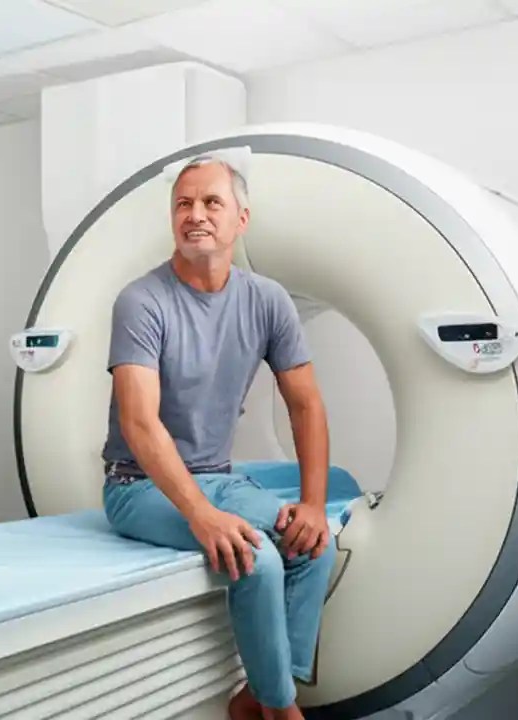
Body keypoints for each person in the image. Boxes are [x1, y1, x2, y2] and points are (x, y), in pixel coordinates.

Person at [100, 152, 336, 720]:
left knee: (310, 545)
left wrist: (313, 503)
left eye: (211, 202)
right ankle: (282, 712)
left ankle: (256, 699)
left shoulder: (268, 300)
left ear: (241, 219)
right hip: (138, 486)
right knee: (258, 559)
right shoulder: (141, 301)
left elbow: (305, 404)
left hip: (219, 476)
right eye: (184, 203)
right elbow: (139, 422)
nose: (195, 214)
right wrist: (202, 516)